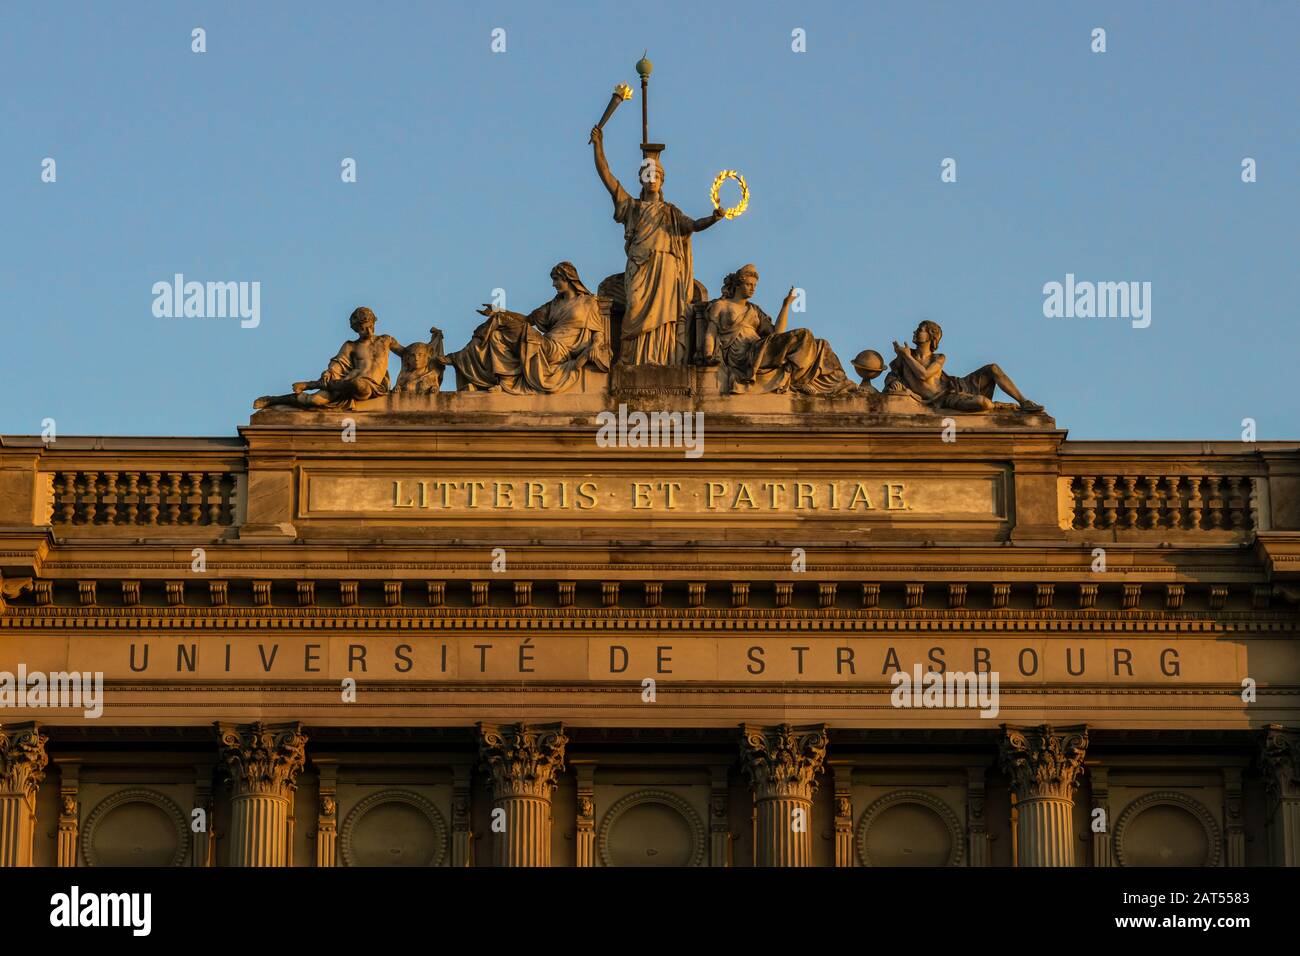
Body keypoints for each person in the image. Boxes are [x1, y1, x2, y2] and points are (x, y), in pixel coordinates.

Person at [590, 125, 724, 366]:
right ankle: (632, 360)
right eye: (647, 175)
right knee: (634, 310)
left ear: (662, 181)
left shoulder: (671, 212)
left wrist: (713, 218)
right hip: (640, 266)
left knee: (667, 316)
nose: (652, 180)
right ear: (642, 179)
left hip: (667, 267)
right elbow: (607, 177)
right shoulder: (631, 207)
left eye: (656, 176)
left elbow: (693, 225)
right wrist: (599, 146)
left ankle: (664, 360)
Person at [701, 264, 857, 396]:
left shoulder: (754, 310)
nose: (752, 289)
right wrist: (708, 355)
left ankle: (840, 382)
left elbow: (777, 334)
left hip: (760, 347)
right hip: (744, 354)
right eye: (749, 284)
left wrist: (786, 305)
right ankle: (800, 381)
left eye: (755, 285)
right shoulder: (721, 306)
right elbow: (711, 332)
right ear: (737, 285)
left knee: (821, 345)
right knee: (804, 335)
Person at [253, 307, 402, 410]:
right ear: (356, 329)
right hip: (344, 384)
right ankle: (273, 400)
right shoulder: (351, 346)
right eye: (363, 328)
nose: (369, 331)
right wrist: (328, 373)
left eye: (370, 326)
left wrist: (426, 348)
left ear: (374, 323)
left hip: (369, 387)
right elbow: (337, 365)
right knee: (313, 401)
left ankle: (310, 384)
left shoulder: (386, 340)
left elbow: (406, 353)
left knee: (359, 384)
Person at [884, 320, 1043, 412]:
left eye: (920, 330)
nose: (915, 332)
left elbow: (924, 375)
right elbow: (891, 376)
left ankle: (1024, 402)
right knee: (984, 404)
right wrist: (892, 382)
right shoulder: (904, 357)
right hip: (945, 399)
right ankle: (1000, 406)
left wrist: (905, 355)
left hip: (954, 388)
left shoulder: (938, 357)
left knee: (993, 368)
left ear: (931, 336)